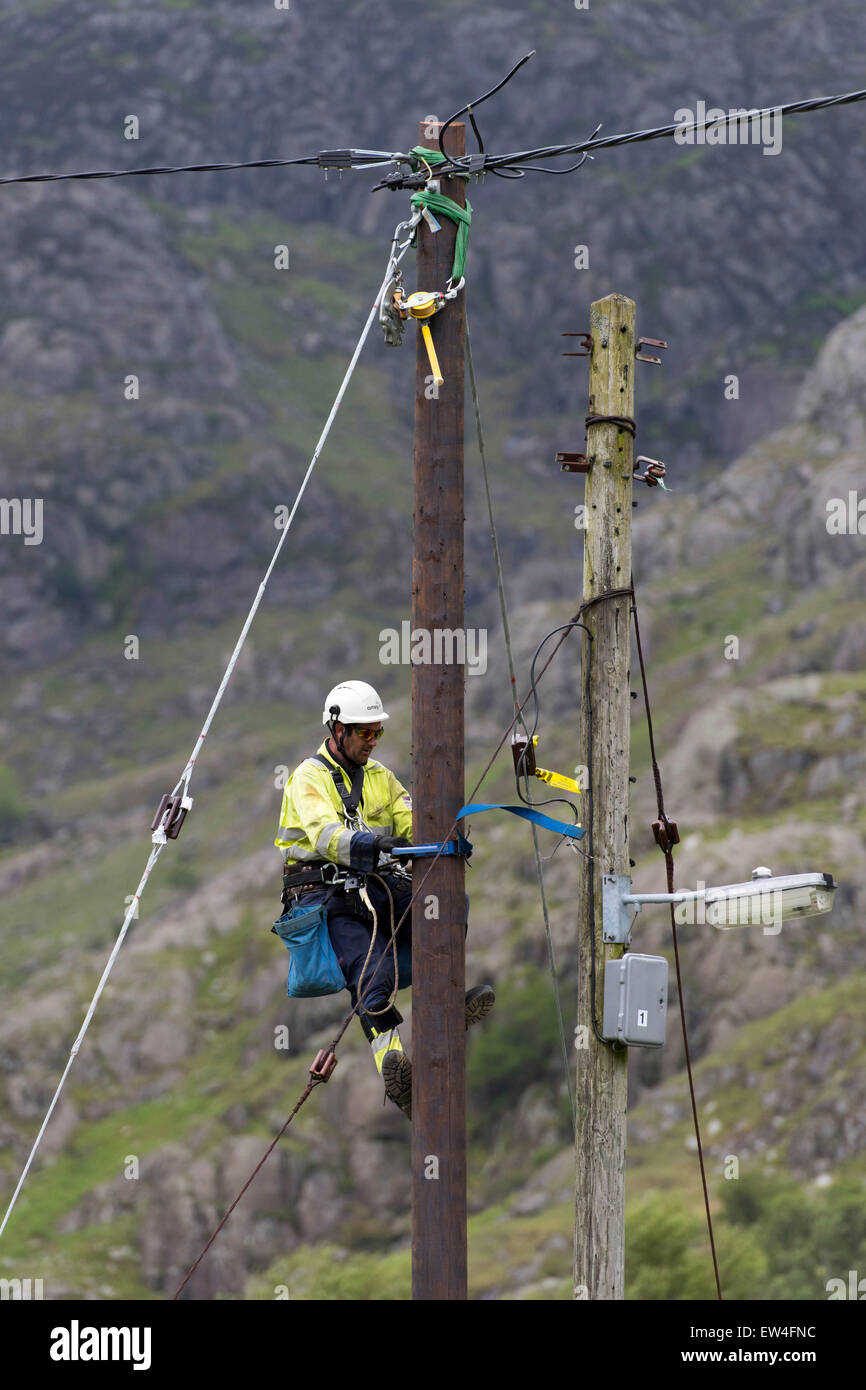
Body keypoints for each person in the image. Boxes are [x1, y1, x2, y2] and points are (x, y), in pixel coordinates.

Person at [275, 679, 494, 1118]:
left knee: (444, 907)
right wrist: (376, 845)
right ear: (337, 729)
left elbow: (414, 823)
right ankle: (396, 1073)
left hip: (374, 886)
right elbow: (324, 834)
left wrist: (444, 837)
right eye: (364, 733)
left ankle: (448, 1006)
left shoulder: (381, 779)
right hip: (325, 897)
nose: (372, 742)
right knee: (369, 968)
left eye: (378, 733)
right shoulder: (308, 778)